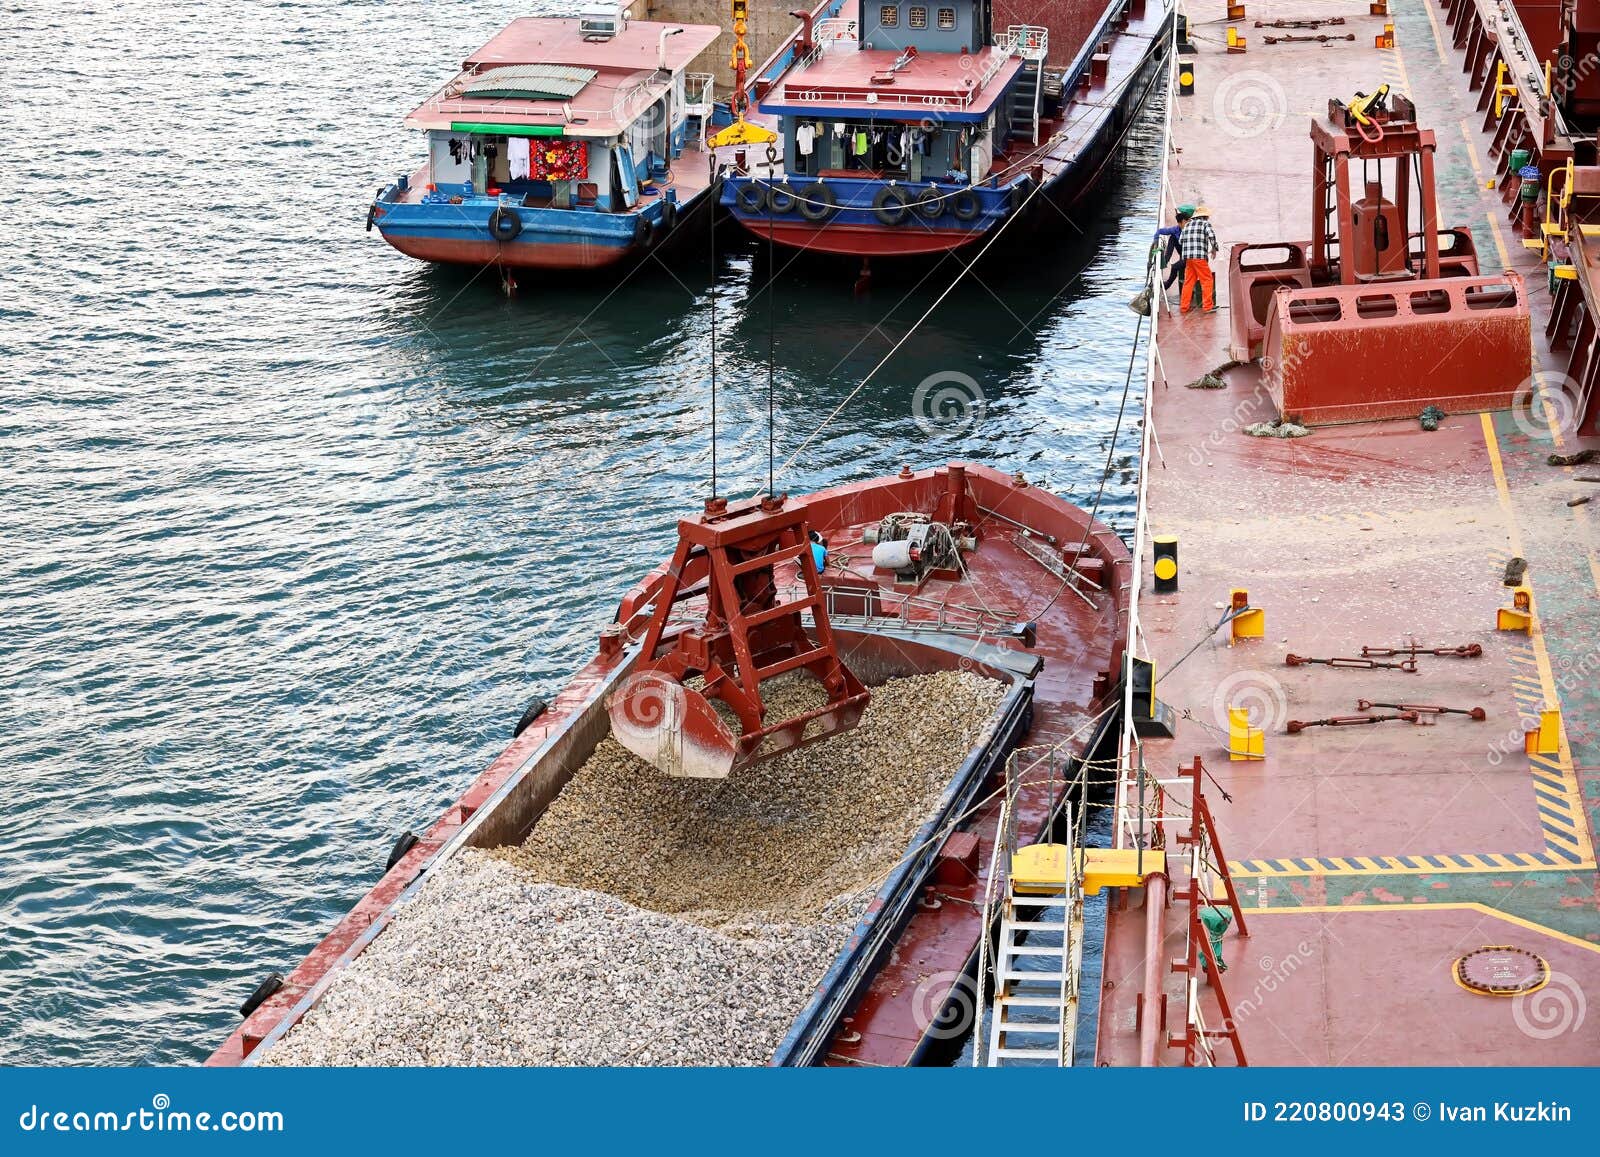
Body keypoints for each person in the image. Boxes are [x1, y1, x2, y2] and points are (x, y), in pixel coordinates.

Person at [1178, 204, 1219, 314]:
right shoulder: (1205, 224)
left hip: (1188, 258)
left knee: (1188, 281)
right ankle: (1208, 307)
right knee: (1207, 280)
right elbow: (1212, 236)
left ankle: (1184, 307)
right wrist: (1215, 248)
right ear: (1205, 216)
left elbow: (1180, 241)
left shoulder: (1187, 225)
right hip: (1199, 257)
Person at [1153, 204, 1194, 304]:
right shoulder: (1176, 229)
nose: (1185, 224)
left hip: (1190, 255)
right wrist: (1155, 242)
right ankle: (1166, 260)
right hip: (1183, 253)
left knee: (1175, 267)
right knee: (1172, 238)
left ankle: (1167, 285)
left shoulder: (1191, 229)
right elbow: (1159, 231)